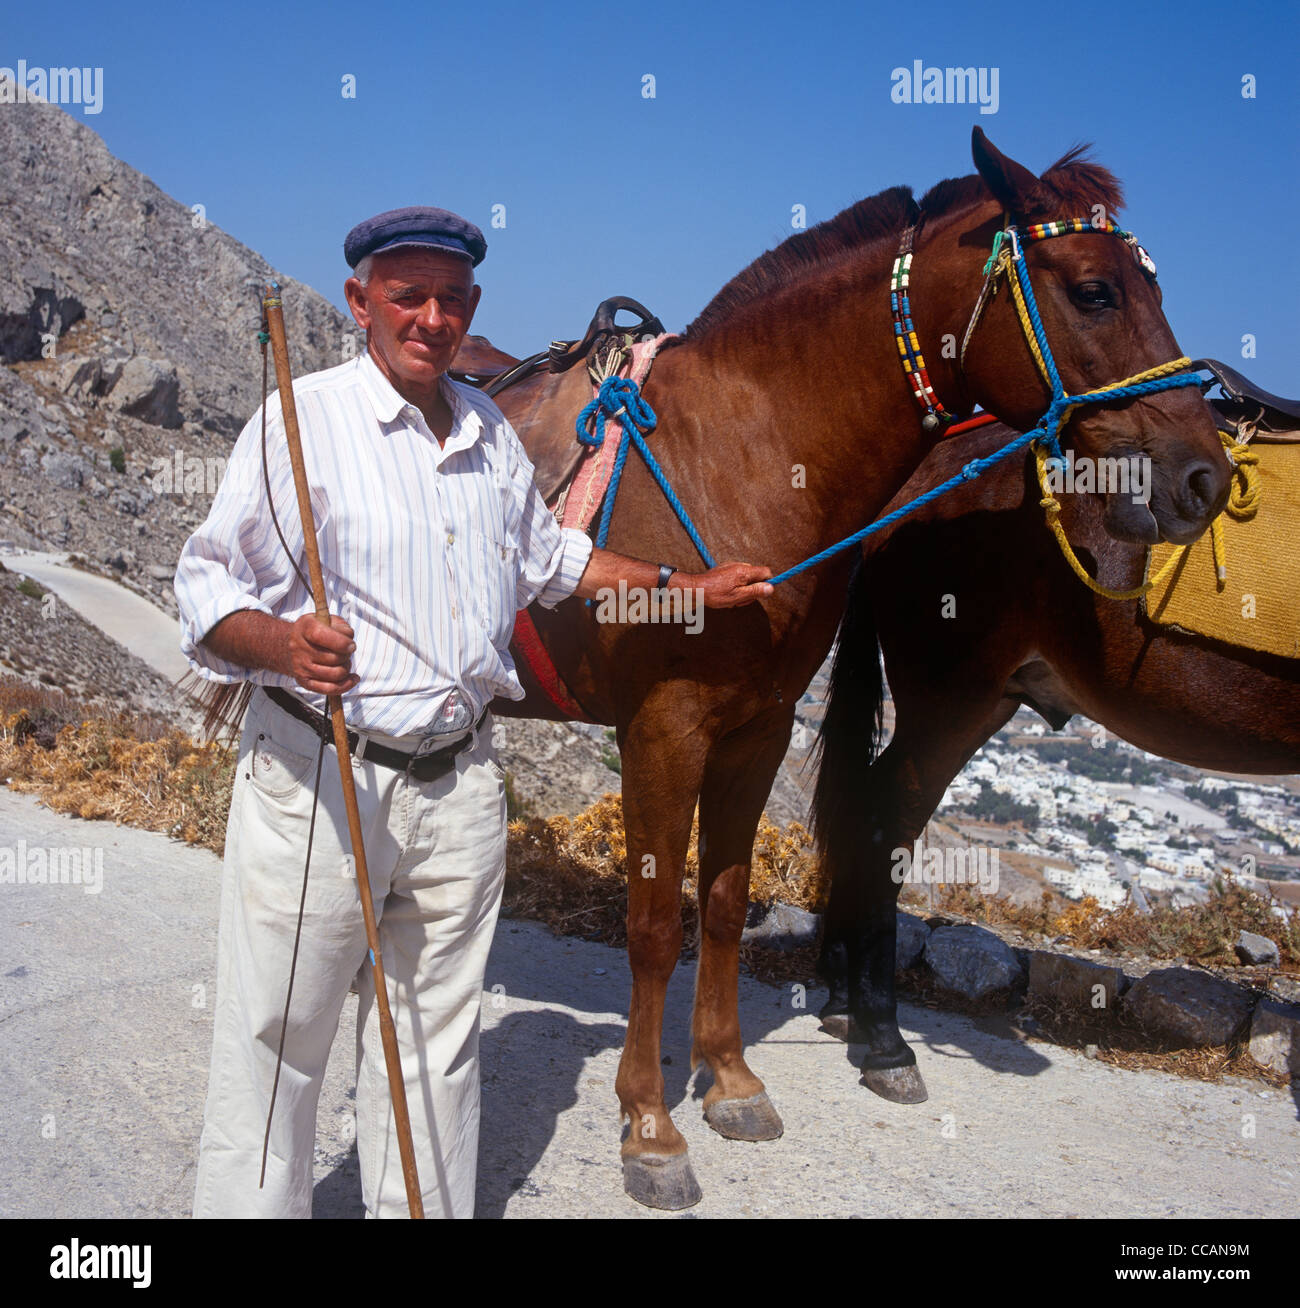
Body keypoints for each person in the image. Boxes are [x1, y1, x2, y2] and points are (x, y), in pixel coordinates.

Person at [177, 205, 773, 1219]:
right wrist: (279, 644)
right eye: (406, 295)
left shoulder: (492, 431)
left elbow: (560, 564)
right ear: (362, 302)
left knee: (437, 1044)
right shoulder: (299, 419)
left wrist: (690, 587)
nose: (431, 318)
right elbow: (204, 587)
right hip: (325, 775)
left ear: (473, 311)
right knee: (278, 1038)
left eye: (450, 299)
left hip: (458, 786)